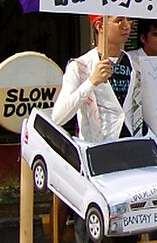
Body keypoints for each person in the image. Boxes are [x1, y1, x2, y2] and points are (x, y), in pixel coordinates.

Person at [53, 14, 146, 242]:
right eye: (119, 20)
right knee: (93, 232)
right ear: (100, 25)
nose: (127, 26)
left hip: (129, 166)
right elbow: (58, 115)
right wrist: (91, 82)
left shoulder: (134, 65)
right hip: (94, 166)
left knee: (126, 235)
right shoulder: (80, 66)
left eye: (129, 20)